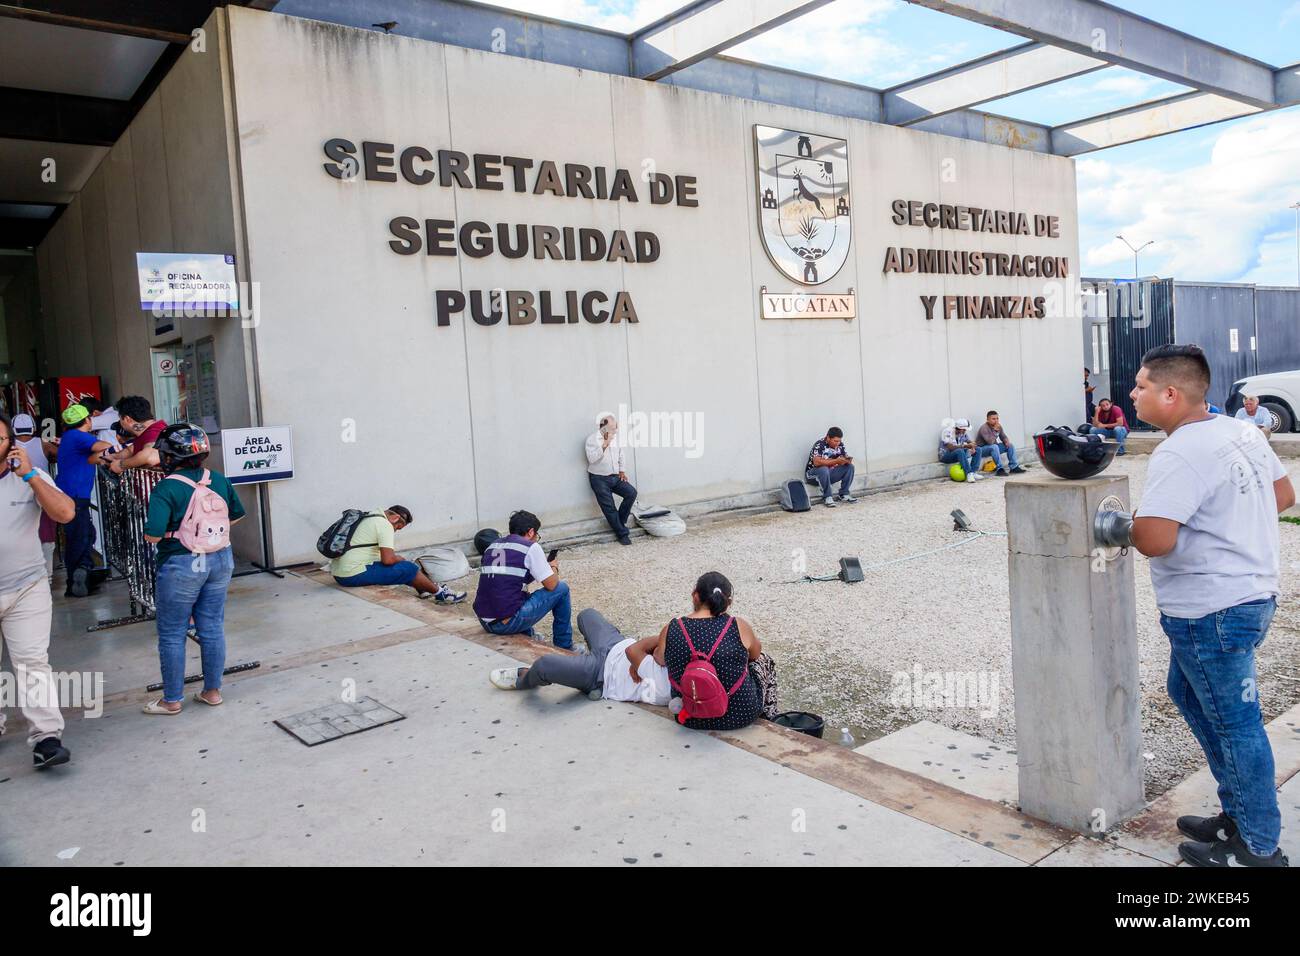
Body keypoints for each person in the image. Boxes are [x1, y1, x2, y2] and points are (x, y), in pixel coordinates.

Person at [1127, 344, 1293, 867]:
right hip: (1251, 597)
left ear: (1170, 394)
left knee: (1235, 725)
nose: (1133, 394)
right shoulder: (1240, 431)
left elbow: (1154, 539)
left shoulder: (1177, 452)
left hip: (1211, 611)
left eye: (1141, 386)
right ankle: (1239, 813)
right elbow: (1282, 495)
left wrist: (1127, 523)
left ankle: (1258, 848)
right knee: (1191, 695)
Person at [140, 423, 247, 715]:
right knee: (211, 626)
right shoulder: (219, 480)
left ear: (169, 456)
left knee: (173, 632)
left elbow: (153, 532)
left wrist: (181, 534)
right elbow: (236, 514)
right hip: (220, 559)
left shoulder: (166, 487)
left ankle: (172, 700)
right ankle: (212, 692)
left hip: (182, 563)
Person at [0, 411, 76, 768]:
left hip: (26, 587)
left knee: (32, 663)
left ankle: (46, 737)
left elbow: (65, 514)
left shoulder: (28, 475)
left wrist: (30, 474)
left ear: (11, 444)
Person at [648, 571, 762, 731]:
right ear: (728, 602)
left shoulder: (672, 628)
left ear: (695, 596)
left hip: (689, 716)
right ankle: (770, 713)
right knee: (763, 661)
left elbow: (661, 659)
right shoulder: (738, 626)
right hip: (740, 714)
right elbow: (756, 654)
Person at [488, 608, 670, 703]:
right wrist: (640, 656)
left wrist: (639, 655)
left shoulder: (683, 686)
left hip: (604, 676)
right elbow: (664, 634)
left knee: (545, 665)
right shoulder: (691, 636)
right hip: (616, 645)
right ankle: (583, 665)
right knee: (586, 615)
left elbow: (656, 648)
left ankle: (525, 680)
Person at [473, 509, 573, 649]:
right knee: (562, 589)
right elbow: (552, 585)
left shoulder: (493, 546)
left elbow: (507, 580)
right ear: (531, 532)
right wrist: (553, 568)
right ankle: (565, 646)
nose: (536, 538)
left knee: (516, 592)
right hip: (505, 624)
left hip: (485, 621)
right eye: (536, 535)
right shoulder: (530, 547)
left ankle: (528, 635)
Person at [330, 506, 466, 603]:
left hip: (339, 572)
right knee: (408, 568)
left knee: (402, 567)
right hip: (351, 575)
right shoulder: (384, 525)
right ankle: (441, 593)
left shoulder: (369, 517)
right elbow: (388, 560)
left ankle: (423, 589)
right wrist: (398, 558)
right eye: (397, 527)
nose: (395, 531)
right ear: (395, 518)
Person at [54, 404, 114, 597]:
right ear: (87, 420)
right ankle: (79, 576)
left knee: (85, 533)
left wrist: (95, 457)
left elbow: (89, 457)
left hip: (69, 493)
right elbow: (105, 447)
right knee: (81, 536)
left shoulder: (70, 437)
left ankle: (81, 575)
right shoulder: (79, 436)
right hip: (75, 495)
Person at [12, 414, 59, 579]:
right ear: (33, 427)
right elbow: (61, 455)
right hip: (42, 492)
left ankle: (24, 574)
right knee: (47, 537)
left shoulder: (8, 446)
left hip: (17, 495)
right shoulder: (44, 444)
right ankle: (48, 575)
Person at [585, 415, 636, 545]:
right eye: (613, 428)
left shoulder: (616, 438)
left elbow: (621, 454)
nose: (616, 431)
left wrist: (622, 471)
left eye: (616, 427)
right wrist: (605, 444)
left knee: (631, 493)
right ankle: (622, 534)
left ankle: (619, 523)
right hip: (599, 478)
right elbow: (592, 459)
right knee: (609, 507)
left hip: (615, 477)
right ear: (603, 427)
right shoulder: (592, 439)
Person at [110, 395, 168, 470]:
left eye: (120, 419)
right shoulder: (146, 432)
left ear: (127, 419)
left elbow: (150, 456)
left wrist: (121, 465)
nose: (120, 423)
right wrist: (113, 457)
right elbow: (130, 450)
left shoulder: (155, 432)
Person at [806, 426, 856, 506]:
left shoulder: (840, 445)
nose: (837, 443)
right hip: (813, 475)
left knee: (850, 467)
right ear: (828, 437)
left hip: (829, 474)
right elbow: (816, 462)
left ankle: (844, 494)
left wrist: (845, 461)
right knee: (823, 469)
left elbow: (843, 458)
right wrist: (836, 461)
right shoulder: (819, 444)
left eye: (839, 441)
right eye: (835, 441)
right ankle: (827, 497)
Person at [974, 410, 1028, 476]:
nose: (996, 420)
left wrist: (1006, 440)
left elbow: (1003, 436)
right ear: (988, 419)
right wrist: (995, 431)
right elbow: (990, 442)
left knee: (1010, 445)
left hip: (993, 448)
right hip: (982, 450)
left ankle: (1014, 467)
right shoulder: (984, 428)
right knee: (994, 446)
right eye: (993, 419)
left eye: (997, 418)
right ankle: (1000, 469)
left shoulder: (998, 426)